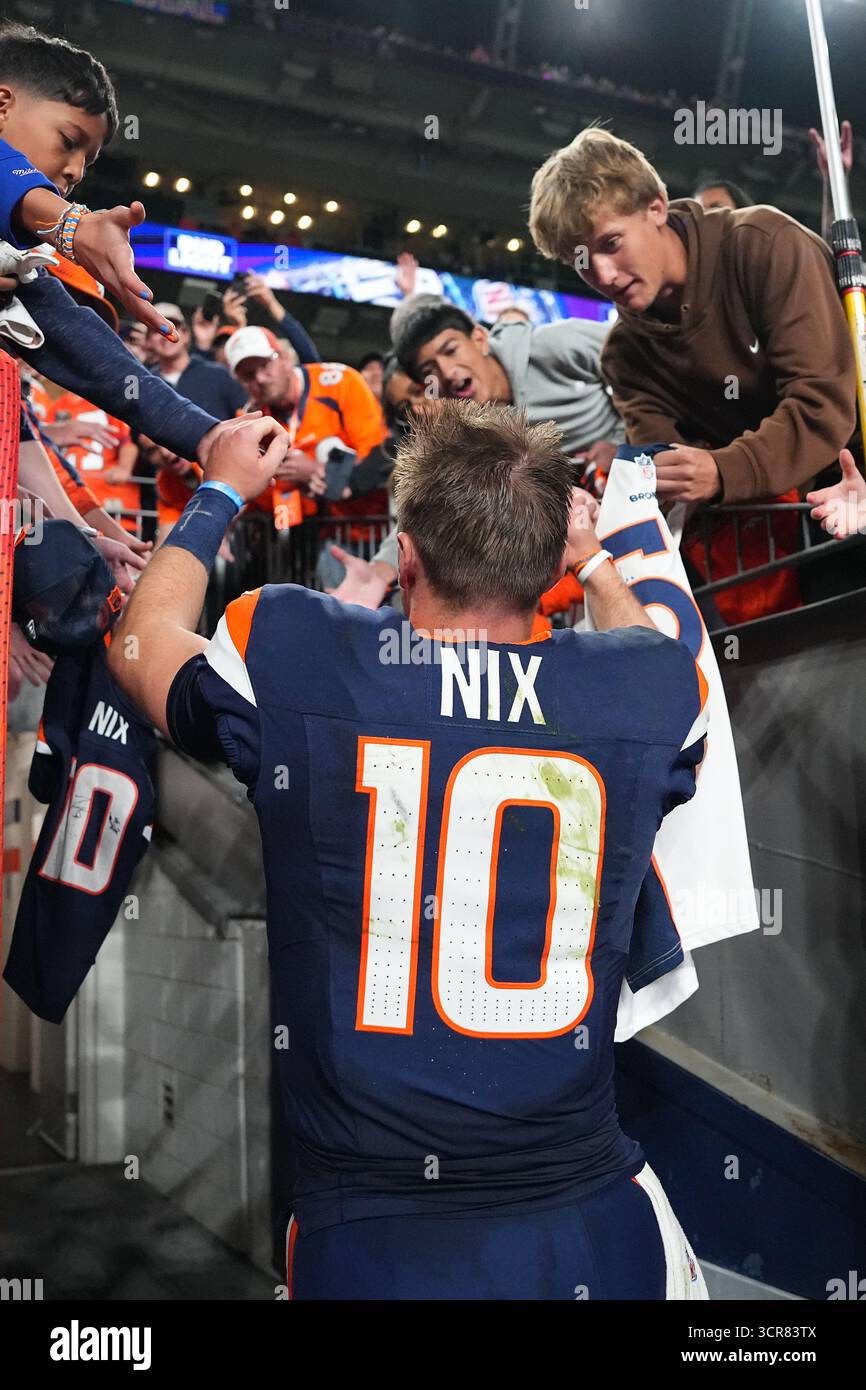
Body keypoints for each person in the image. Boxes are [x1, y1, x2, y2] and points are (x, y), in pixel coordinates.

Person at [108, 401, 709, 1302]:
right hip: (592, 1219)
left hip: (378, 1236)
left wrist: (221, 488)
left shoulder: (298, 646)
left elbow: (136, 645)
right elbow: (643, 645)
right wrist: (591, 558)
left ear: (409, 558)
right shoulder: (647, 688)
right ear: (546, 567)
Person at [528, 126, 859, 622]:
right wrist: (616, 507)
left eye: (611, 243)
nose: (604, 275)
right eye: (581, 263)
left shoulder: (764, 245)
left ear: (656, 207)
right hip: (777, 544)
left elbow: (821, 402)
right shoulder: (622, 355)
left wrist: (723, 470)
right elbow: (665, 474)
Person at [328, 293, 624, 608]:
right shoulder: (466, 430)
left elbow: (654, 370)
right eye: (430, 368)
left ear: (480, 338)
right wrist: (380, 570)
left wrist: (623, 443)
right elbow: (425, 508)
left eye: (451, 350)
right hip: (590, 556)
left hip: (655, 497)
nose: (448, 371)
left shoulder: (552, 345)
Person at [223, 326, 390, 588]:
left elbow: (377, 454)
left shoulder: (341, 382)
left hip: (372, 527)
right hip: (313, 537)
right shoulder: (248, 420)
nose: (261, 379)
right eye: (248, 375)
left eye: (265, 365)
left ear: (286, 358)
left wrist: (316, 471)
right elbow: (247, 487)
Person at [148, 303, 248, 419]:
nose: (164, 334)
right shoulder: (147, 382)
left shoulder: (219, 375)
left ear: (186, 335)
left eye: (172, 327)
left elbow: (245, 418)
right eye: (156, 330)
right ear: (148, 340)